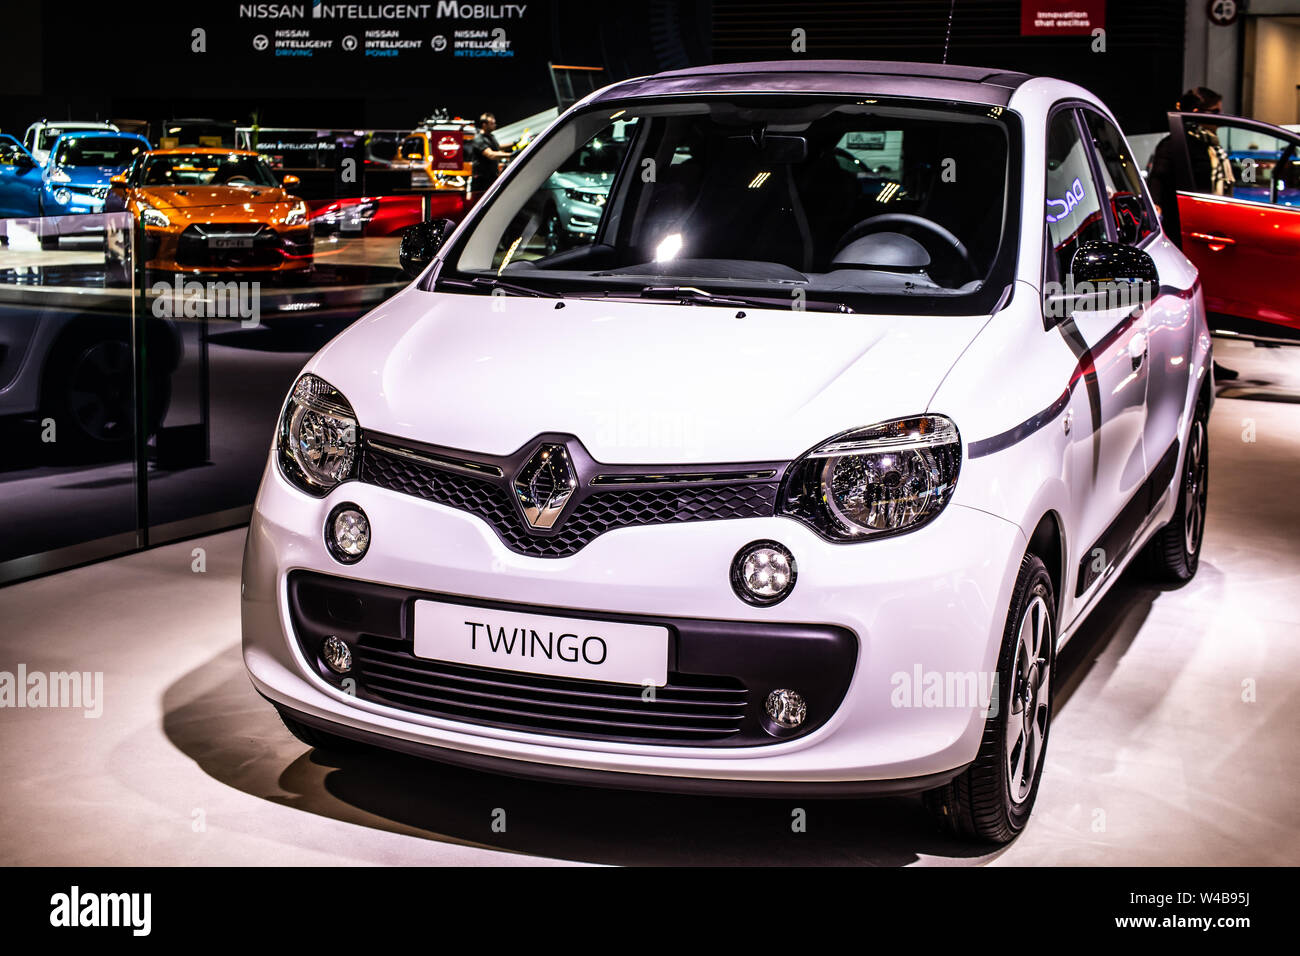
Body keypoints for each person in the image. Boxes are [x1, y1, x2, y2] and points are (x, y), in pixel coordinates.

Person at [1147, 87, 1239, 380]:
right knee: (1191, 296)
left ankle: (1208, 356)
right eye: (1215, 112)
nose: (1220, 118)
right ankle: (1191, 358)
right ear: (1197, 114)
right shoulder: (1173, 145)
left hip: (1210, 230)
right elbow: (1156, 188)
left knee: (1210, 295)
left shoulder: (1211, 146)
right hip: (1182, 233)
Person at [469, 112, 512, 198]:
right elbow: (491, 154)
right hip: (481, 180)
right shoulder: (479, 139)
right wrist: (511, 155)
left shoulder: (491, 136)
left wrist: (515, 143)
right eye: (492, 123)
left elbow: (498, 147)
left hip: (492, 177)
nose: (494, 125)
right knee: (479, 203)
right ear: (484, 124)